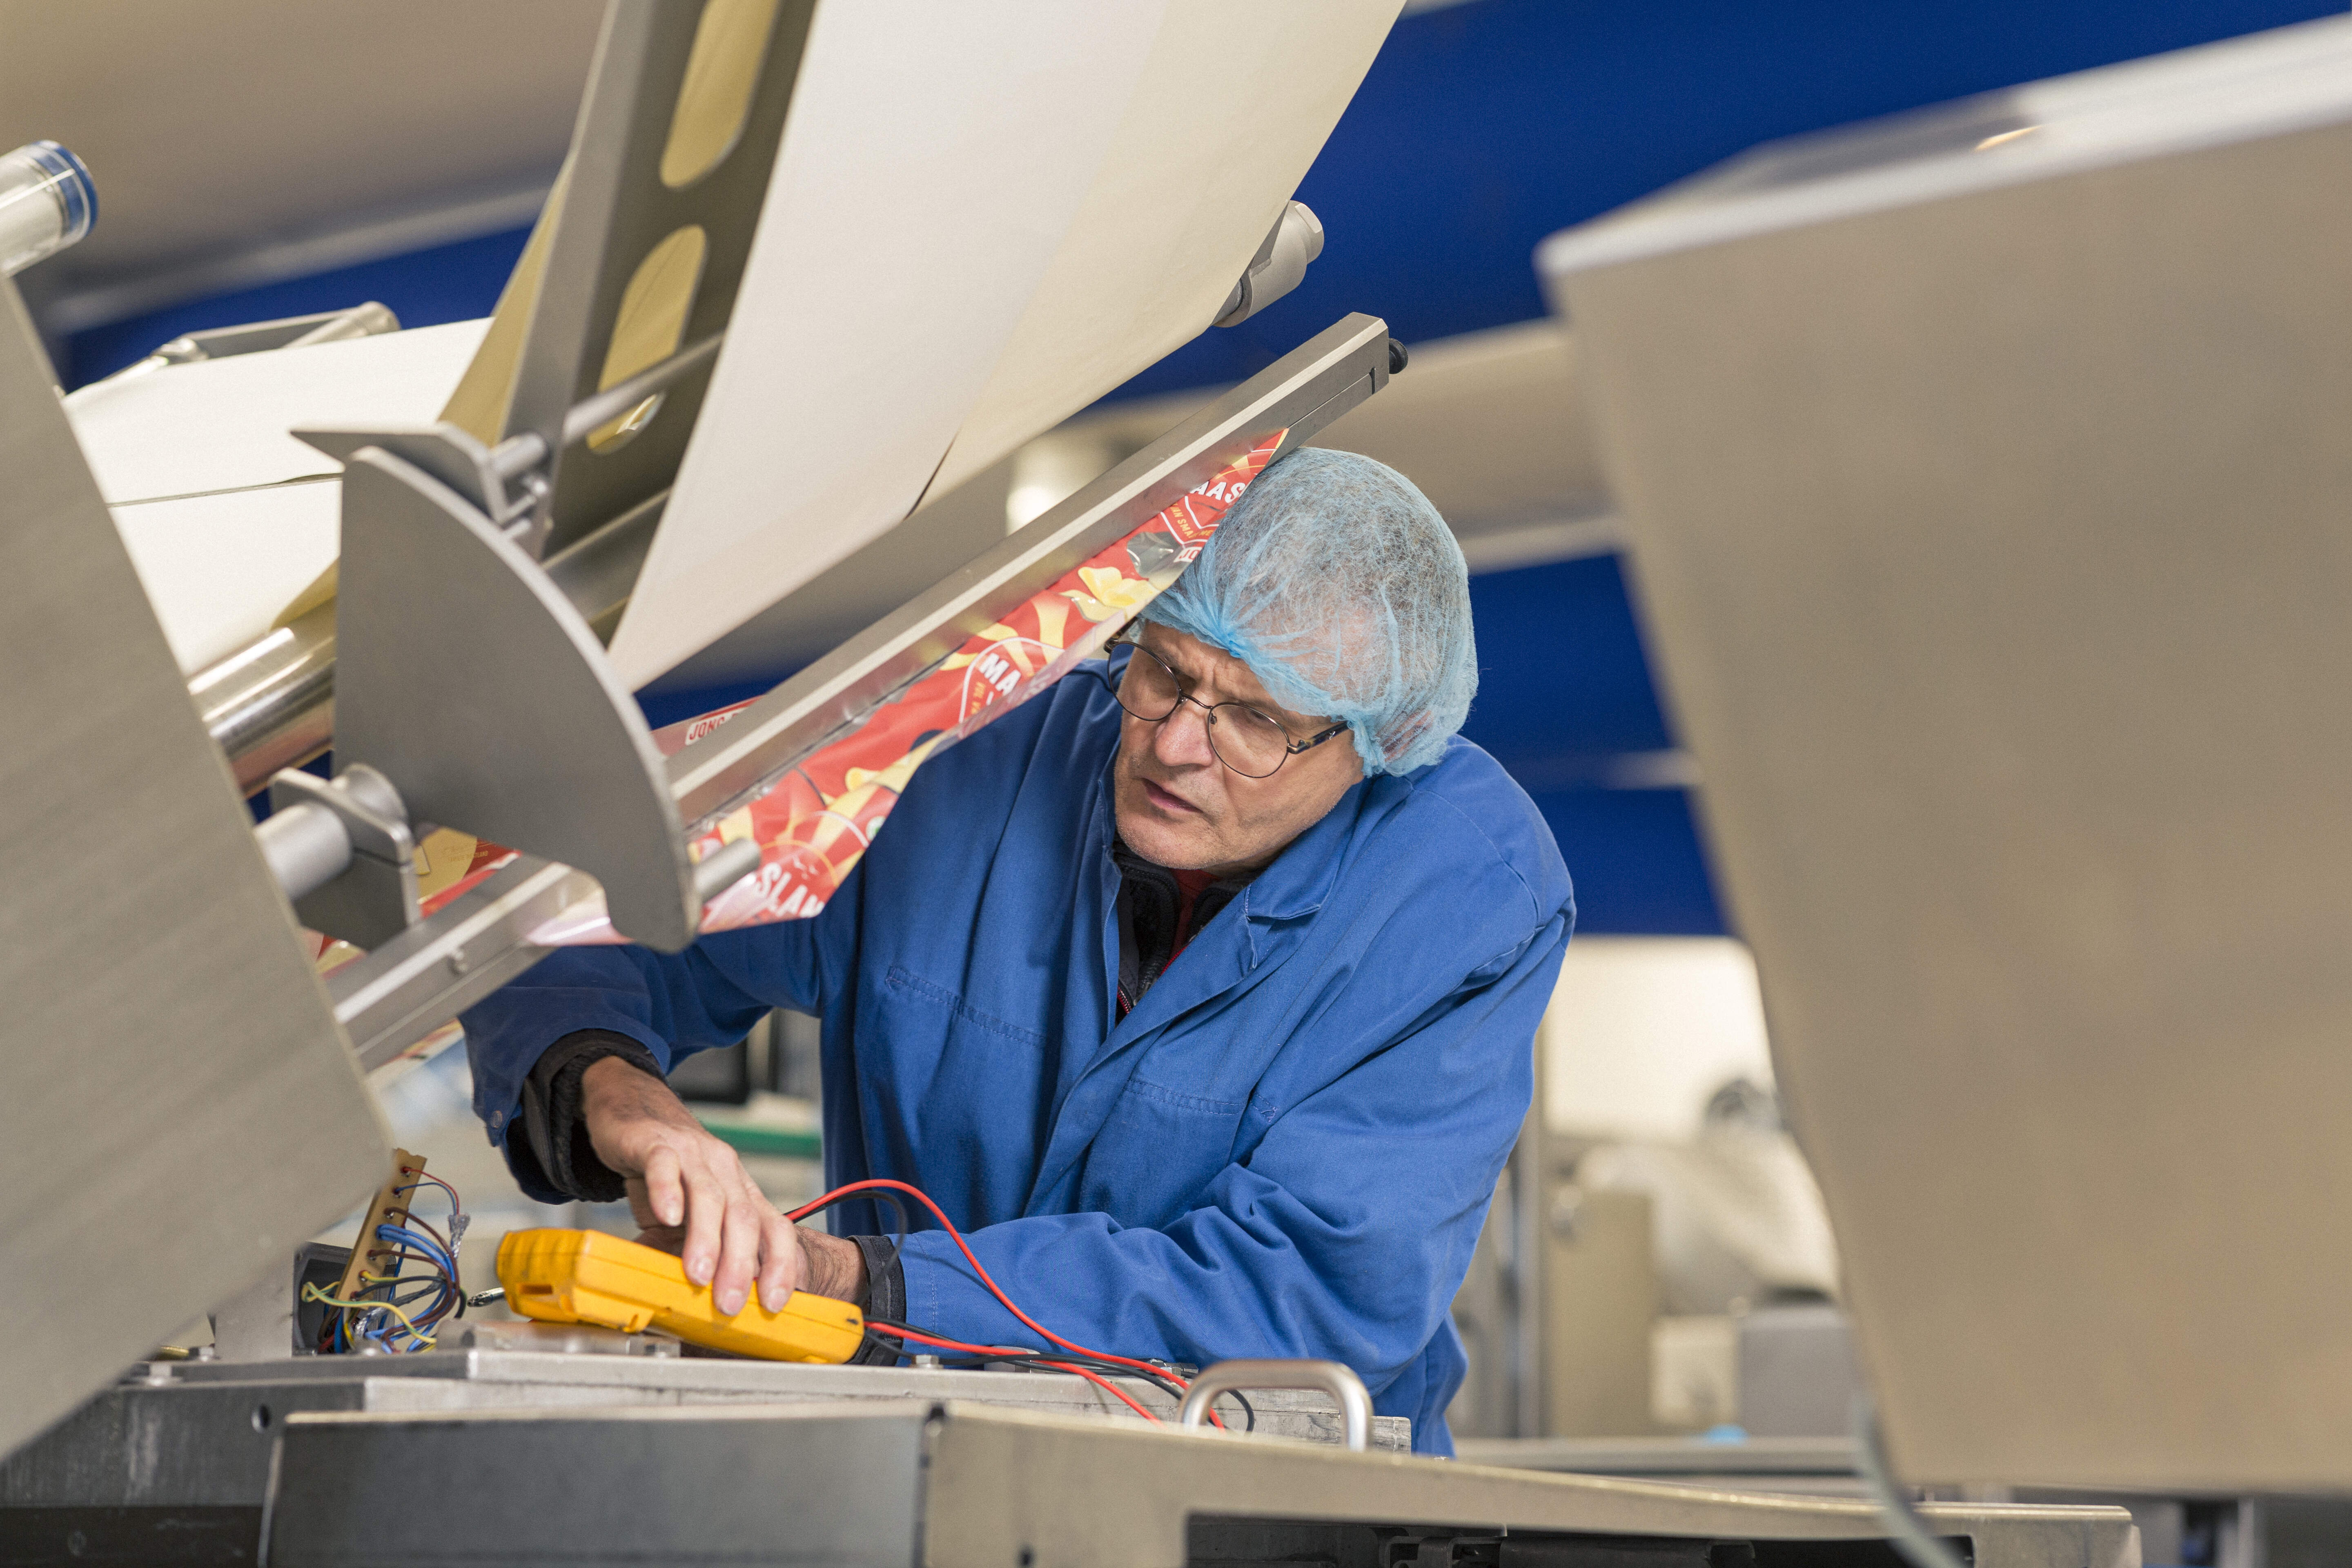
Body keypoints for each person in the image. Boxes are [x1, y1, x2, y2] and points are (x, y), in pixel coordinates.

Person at [460, 447, 1573, 1454]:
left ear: (1379, 743)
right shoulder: (967, 760)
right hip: (916, 1455)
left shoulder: (1470, 892)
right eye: (1167, 673)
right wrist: (617, 1093)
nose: (1179, 746)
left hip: (1268, 1493)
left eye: (1256, 722)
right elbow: (573, 907)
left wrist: (865, 1283)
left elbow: (1310, 1286)